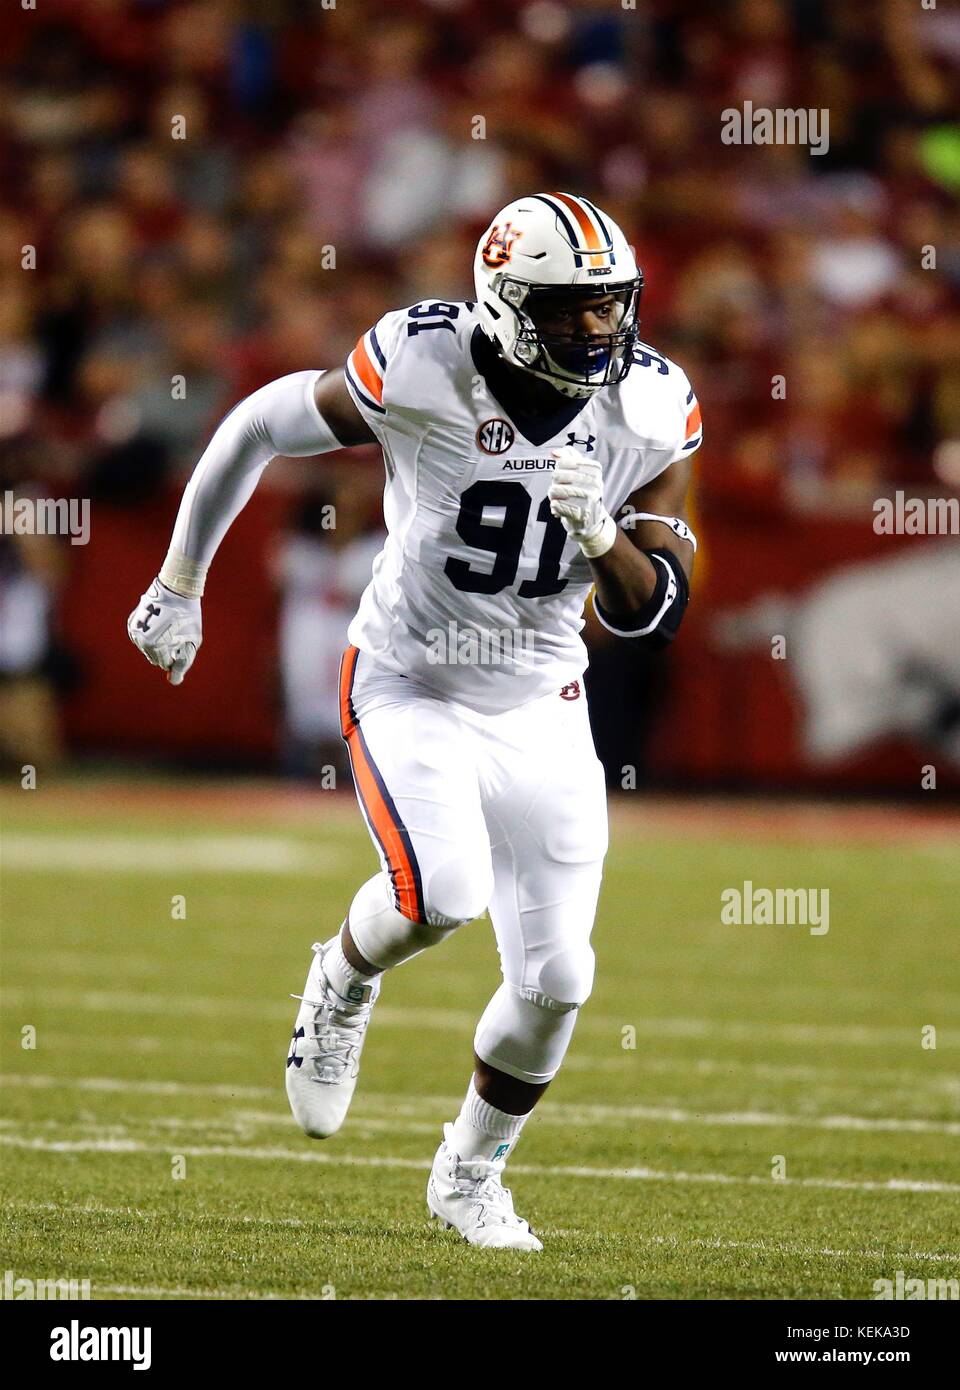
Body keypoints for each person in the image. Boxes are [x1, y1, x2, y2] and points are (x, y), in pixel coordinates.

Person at [127, 193, 702, 1250]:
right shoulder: (426, 361)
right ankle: (339, 980)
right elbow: (260, 422)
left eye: (611, 306)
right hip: (410, 679)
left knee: (561, 981)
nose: (599, 330)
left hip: (542, 697)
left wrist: (603, 532)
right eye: (573, 310)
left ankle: (468, 1176)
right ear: (509, 305)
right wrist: (180, 581)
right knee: (441, 894)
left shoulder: (655, 407)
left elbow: (655, 607)